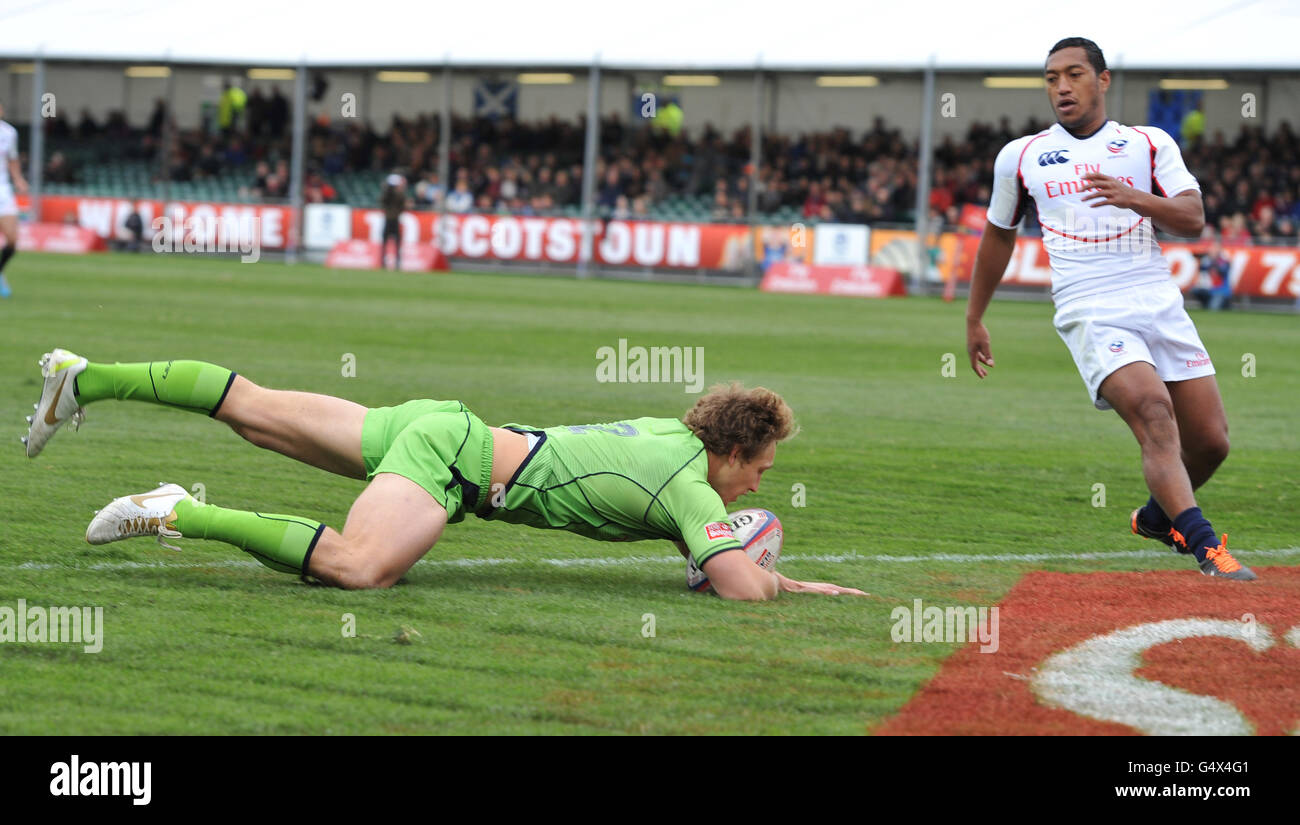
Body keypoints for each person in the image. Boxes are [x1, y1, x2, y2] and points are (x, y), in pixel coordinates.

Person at [24, 348, 865, 601]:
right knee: (361, 569)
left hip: (445, 424)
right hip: (453, 462)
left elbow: (709, 546)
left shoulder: (669, 431)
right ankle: (175, 511)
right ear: (728, 452)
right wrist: (777, 575)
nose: (759, 483)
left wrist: (742, 554)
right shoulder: (690, 485)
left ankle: (83, 376)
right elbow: (740, 592)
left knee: (254, 406)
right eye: (759, 468)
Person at [965, 37, 1255, 580]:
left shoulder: (1148, 143)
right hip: (1089, 305)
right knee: (1153, 413)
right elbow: (998, 236)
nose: (1061, 87)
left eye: (1074, 74)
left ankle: (1153, 517)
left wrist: (1134, 197)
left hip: (1156, 298)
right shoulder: (1022, 155)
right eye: (1052, 78)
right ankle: (1207, 549)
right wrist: (974, 316)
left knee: (1211, 442)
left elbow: (1192, 219)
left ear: (1102, 80)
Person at [0, 101, 27, 298]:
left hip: (3, 189)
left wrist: (18, 179)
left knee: (12, 239)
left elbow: (12, 158)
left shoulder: (9, 133)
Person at [1191, 238, 1232, 310]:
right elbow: (1201, 269)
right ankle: (1205, 304)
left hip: (1221, 291)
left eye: (1216, 248)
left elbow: (1222, 270)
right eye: (1212, 247)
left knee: (1213, 308)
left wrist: (1213, 262)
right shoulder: (1206, 260)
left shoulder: (1224, 261)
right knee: (1195, 290)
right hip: (1209, 289)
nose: (1213, 250)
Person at [379, 173, 410, 270]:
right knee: (395, 242)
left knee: (388, 242)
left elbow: (382, 201)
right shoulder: (397, 195)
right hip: (393, 219)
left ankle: (386, 262)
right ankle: (394, 262)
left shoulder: (393, 194)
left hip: (390, 219)